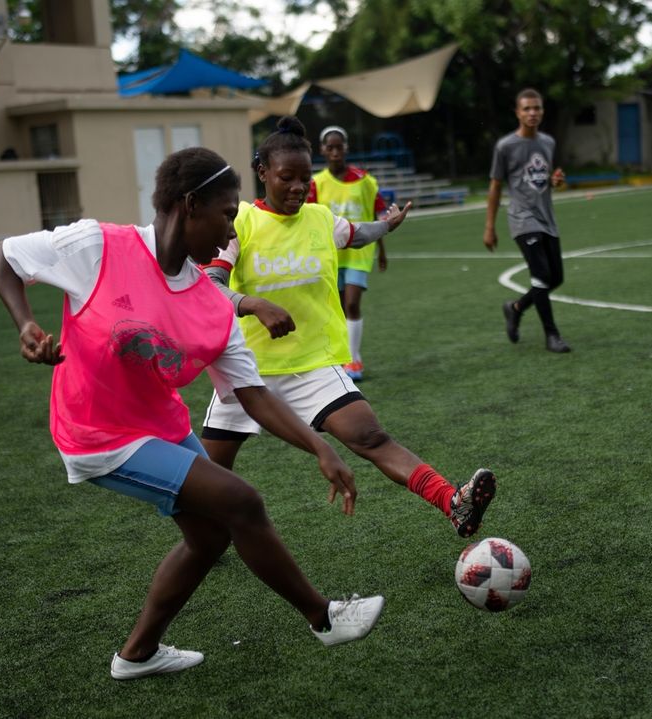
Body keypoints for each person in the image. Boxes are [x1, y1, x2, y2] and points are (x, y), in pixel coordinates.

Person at [0, 146, 385, 681]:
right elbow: (4, 255)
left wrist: (320, 446)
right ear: (190, 204)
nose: (231, 230)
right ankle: (325, 618)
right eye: (227, 214)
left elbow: (254, 394)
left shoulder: (212, 303)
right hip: (95, 434)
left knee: (212, 535)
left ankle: (137, 654)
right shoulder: (99, 245)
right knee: (241, 501)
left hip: (161, 427)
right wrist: (25, 324)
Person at [201, 116, 496, 538]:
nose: (298, 187)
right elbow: (210, 283)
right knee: (209, 474)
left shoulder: (321, 219)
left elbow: (357, 234)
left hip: (312, 365)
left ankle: (453, 502)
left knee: (370, 437)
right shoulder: (241, 222)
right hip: (247, 372)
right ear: (262, 172)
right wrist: (253, 304)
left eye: (305, 178)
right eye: (286, 178)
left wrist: (387, 225)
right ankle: (203, 539)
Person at [484, 88, 571, 353]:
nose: (532, 113)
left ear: (542, 111)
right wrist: (490, 227)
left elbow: (543, 179)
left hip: (547, 218)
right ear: (517, 113)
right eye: (527, 109)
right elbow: (495, 186)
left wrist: (555, 182)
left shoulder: (548, 142)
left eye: (537, 108)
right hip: (522, 219)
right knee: (541, 275)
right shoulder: (505, 146)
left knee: (556, 277)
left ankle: (516, 308)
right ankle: (552, 335)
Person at [307, 125, 389, 382]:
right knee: (340, 307)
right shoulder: (316, 183)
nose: (335, 152)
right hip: (330, 254)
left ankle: (354, 358)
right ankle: (342, 357)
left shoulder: (365, 181)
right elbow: (308, 219)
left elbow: (377, 216)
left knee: (352, 303)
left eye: (339, 147)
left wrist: (382, 250)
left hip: (359, 252)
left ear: (346, 148)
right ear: (322, 150)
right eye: (330, 148)